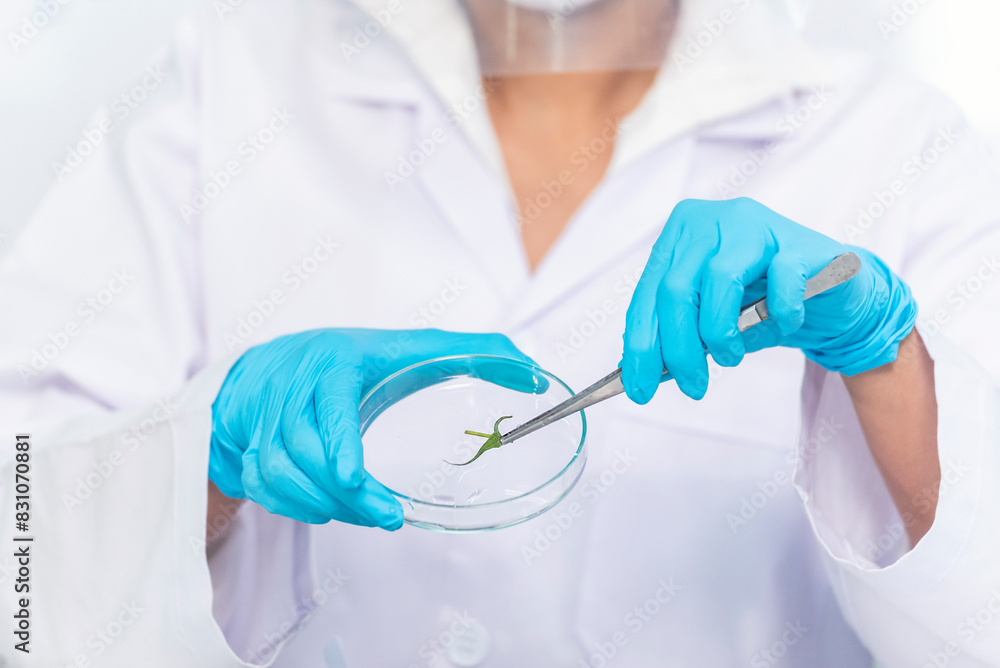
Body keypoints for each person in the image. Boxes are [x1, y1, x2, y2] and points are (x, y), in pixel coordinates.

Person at [2, 0, 999, 666]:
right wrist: (204, 465)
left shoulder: (898, 148)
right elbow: (19, 562)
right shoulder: (221, 99)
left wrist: (884, 358)